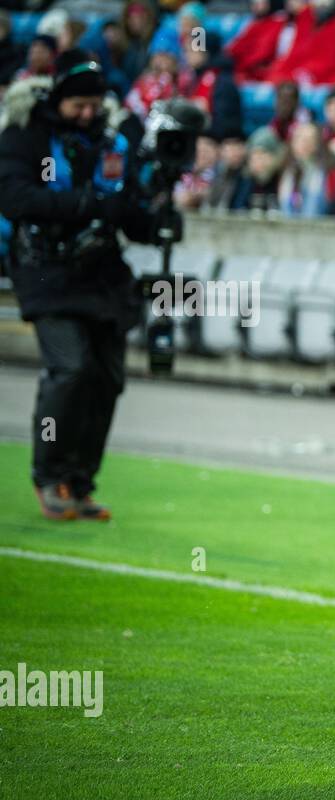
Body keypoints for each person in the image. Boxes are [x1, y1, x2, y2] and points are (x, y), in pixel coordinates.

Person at [0, 51, 160, 520]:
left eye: (94, 105)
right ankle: (49, 476)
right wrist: (84, 204)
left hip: (102, 274)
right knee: (70, 370)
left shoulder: (112, 141)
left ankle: (80, 482)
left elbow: (128, 211)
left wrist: (154, 217)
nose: (88, 115)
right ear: (59, 100)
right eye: (78, 107)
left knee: (106, 380)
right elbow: (14, 197)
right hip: (46, 272)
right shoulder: (25, 133)